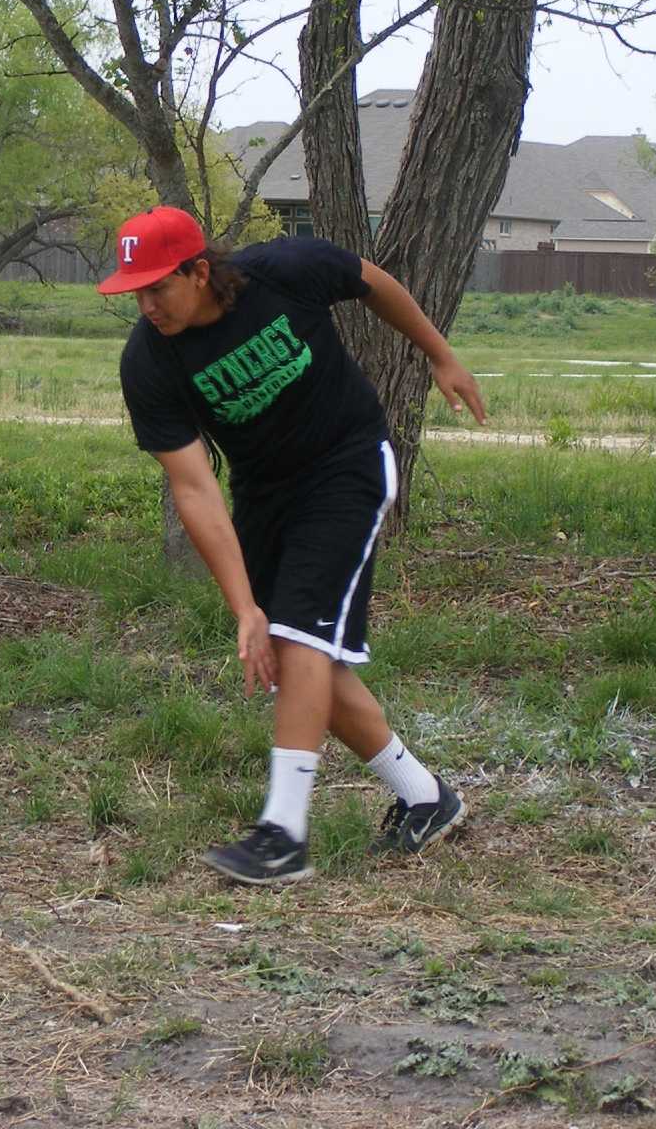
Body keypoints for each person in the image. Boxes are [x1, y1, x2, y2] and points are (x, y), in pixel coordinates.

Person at [101, 205, 487, 885]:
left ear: (199, 272)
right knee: (295, 654)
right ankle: (426, 797)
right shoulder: (148, 361)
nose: (146, 305)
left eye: (157, 287)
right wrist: (244, 609)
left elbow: (375, 283)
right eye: (135, 291)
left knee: (302, 636)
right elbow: (194, 487)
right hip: (265, 492)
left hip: (347, 462)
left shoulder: (284, 270)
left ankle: (283, 834)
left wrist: (441, 354)